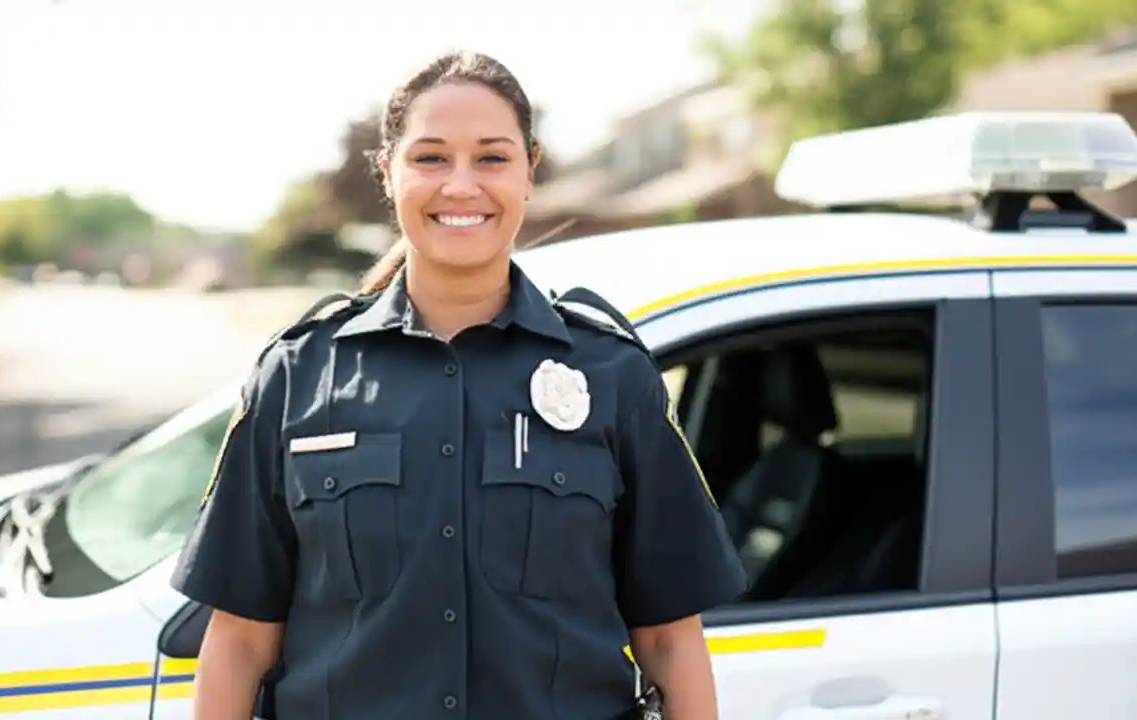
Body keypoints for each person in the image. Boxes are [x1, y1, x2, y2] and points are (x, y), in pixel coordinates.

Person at [171, 49, 747, 720]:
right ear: (388, 172)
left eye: (493, 158)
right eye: (431, 157)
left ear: (530, 169)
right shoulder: (300, 375)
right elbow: (239, 643)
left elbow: (669, 640)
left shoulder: (613, 375)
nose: (462, 185)